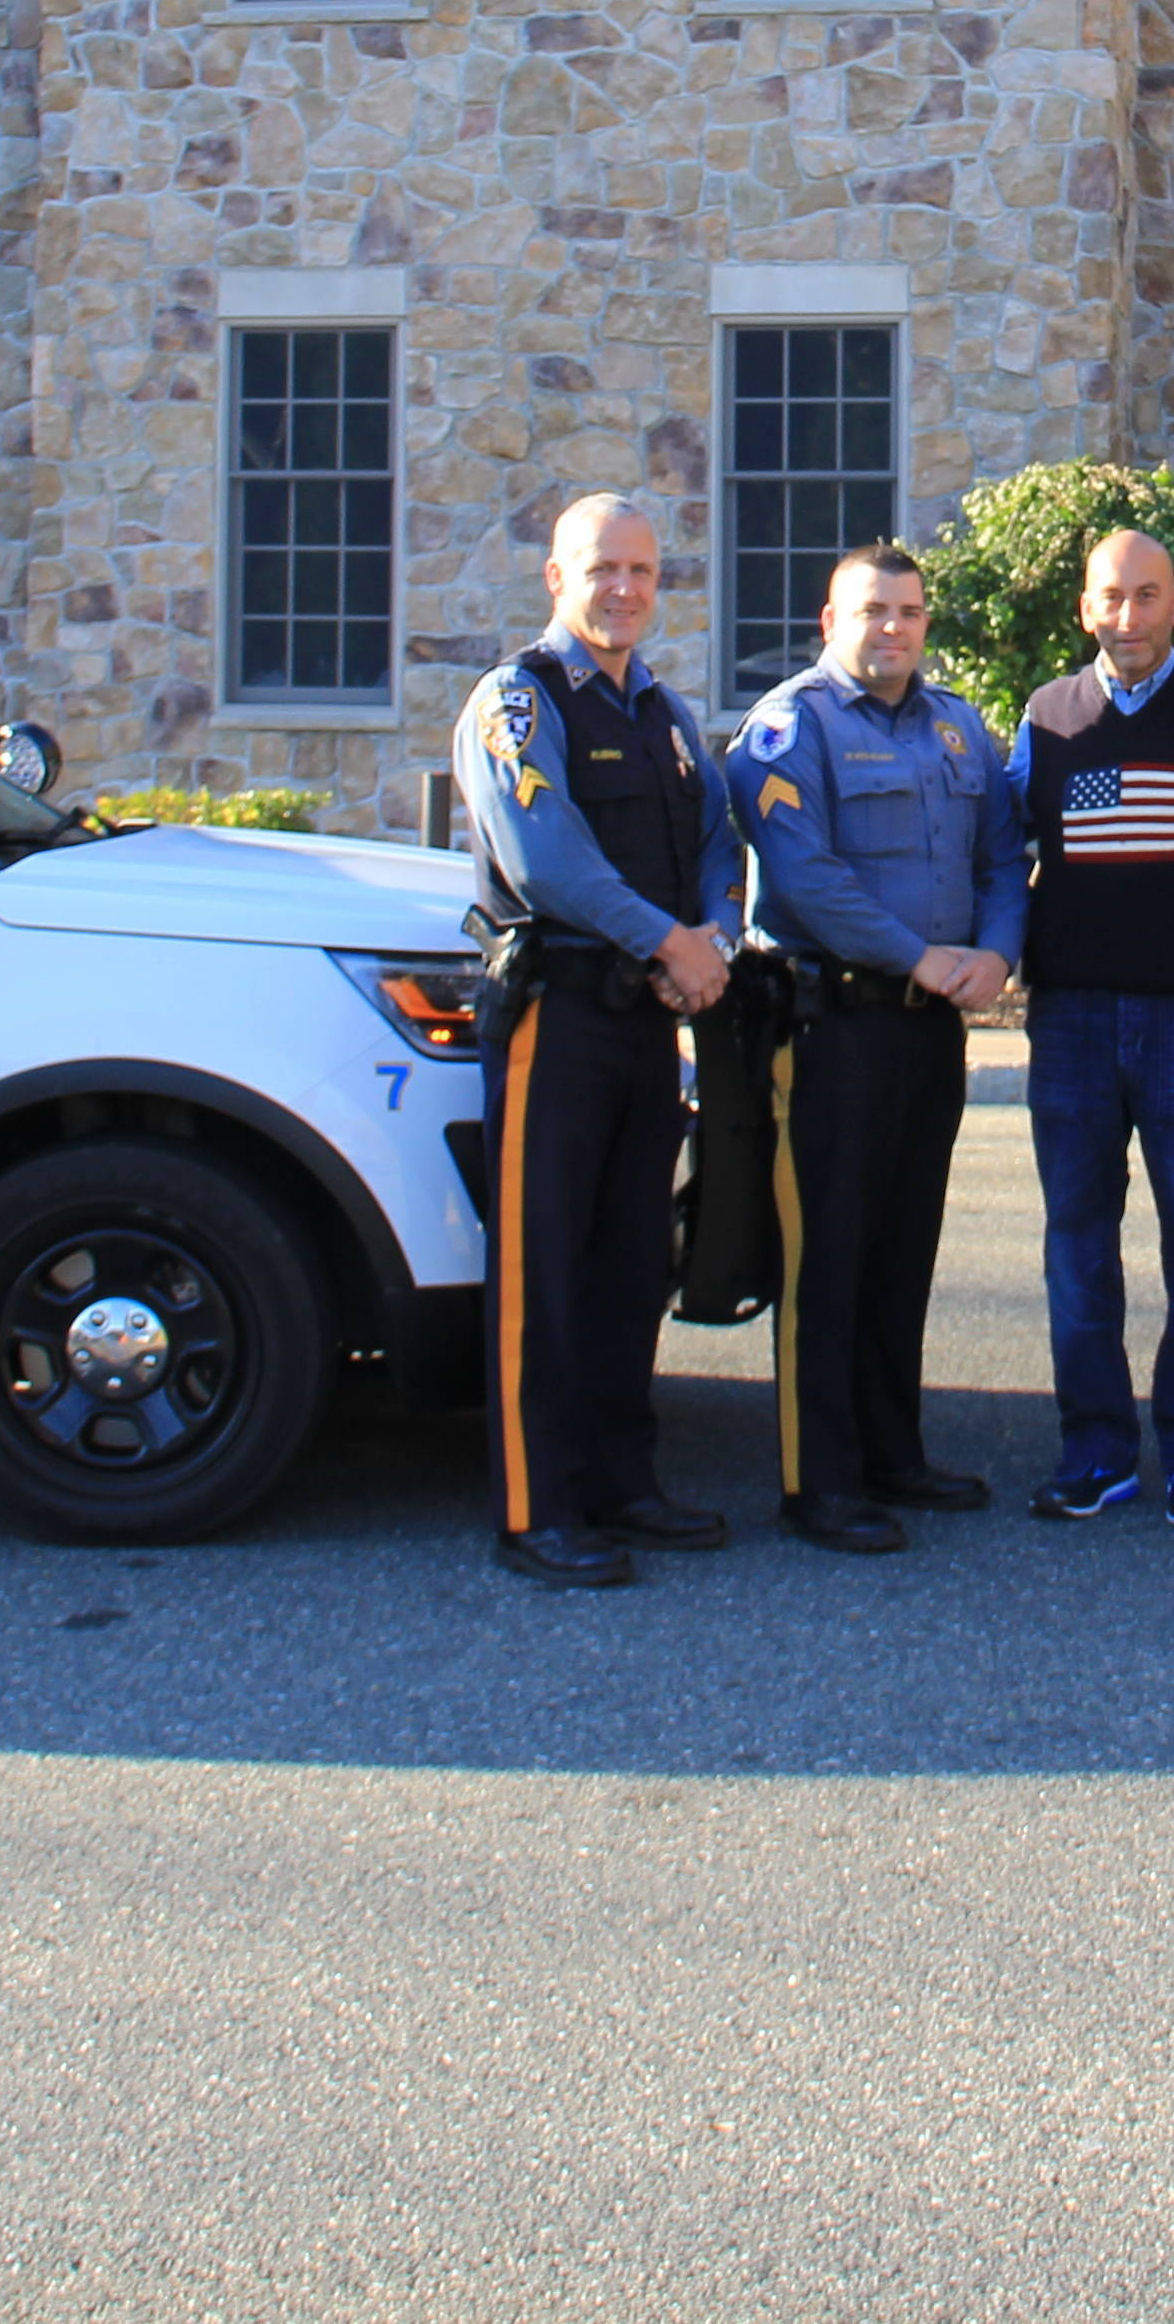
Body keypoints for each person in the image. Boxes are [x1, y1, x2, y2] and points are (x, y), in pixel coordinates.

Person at [453, 494, 742, 1591]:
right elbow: (546, 860)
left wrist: (711, 930)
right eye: (602, 569)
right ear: (555, 579)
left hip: (644, 1028)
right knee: (543, 1272)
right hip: (557, 1021)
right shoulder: (518, 704)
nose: (624, 588)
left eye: (643, 571)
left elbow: (716, 834)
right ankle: (538, 1509)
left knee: (631, 1264)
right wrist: (675, 942)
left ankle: (626, 1483)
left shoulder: (664, 713)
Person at [728, 542, 1022, 1553]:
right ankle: (823, 1481)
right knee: (831, 1259)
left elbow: (1001, 856)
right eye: (871, 611)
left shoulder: (957, 728)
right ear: (829, 620)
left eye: (908, 611)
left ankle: (896, 1453)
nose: (892, 628)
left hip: (928, 1030)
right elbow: (806, 880)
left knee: (905, 1249)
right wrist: (919, 958)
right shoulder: (787, 730)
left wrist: (995, 953)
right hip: (833, 1026)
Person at [1003, 529, 1174, 1525]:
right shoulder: (1047, 718)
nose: (1129, 616)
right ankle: (1097, 1450)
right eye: (1112, 597)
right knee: (1077, 1244)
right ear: (1084, 608)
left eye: (1148, 596)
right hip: (1070, 1017)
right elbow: (1003, 848)